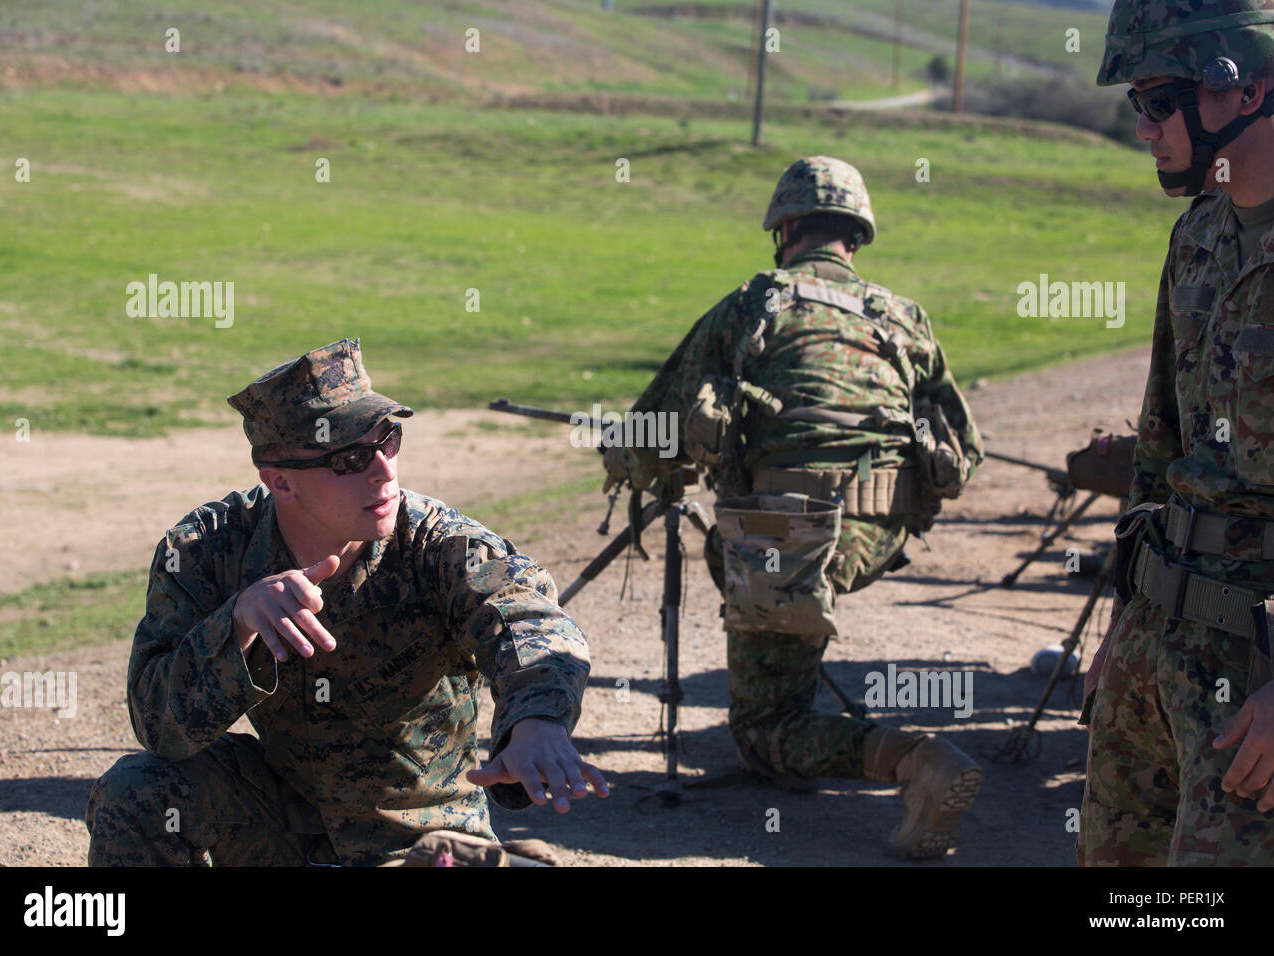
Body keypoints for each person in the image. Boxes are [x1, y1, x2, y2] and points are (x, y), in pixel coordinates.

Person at [87, 338, 608, 866]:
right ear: (280, 481)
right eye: (350, 458)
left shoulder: (441, 546)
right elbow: (159, 726)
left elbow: (529, 621)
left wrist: (536, 720)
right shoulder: (207, 549)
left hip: (419, 843)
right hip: (280, 832)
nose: (383, 470)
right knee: (137, 791)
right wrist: (237, 624)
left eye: (389, 439)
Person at [603, 157, 985, 859]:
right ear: (855, 237)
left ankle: (915, 761)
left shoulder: (755, 302)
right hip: (877, 531)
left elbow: (653, 430)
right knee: (759, 572)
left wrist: (621, 458)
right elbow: (965, 447)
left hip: (786, 531)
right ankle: (795, 668)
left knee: (763, 733)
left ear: (784, 228)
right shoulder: (900, 315)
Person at [1079, 0, 1274, 866]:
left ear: (1247, 86)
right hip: (1162, 638)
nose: (1144, 129)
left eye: (1158, 100)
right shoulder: (1199, 235)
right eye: (1136, 106)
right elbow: (1160, 448)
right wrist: (1128, 616)